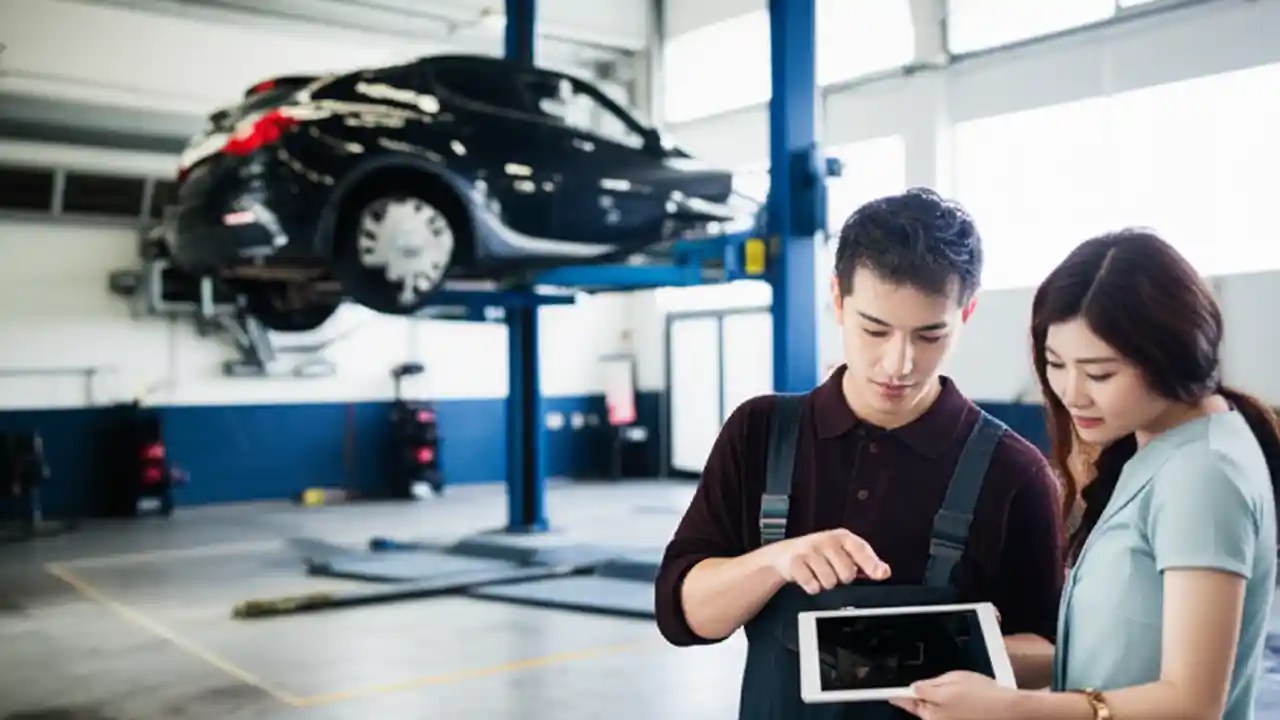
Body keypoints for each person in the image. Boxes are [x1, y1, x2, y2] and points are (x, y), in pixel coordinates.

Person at [653, 187, 1067, 719]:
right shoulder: (759, 433)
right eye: (875, 329)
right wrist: (776, 560)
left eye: (929, 335)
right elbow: (683, 617)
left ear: (967, 312)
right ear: (837, 298)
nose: (898, 363)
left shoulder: (1014, 471)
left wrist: (926, 649)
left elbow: (1055, 654)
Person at [889, 229, 1280, 720]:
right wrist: (977, 651)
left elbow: (1191, 703)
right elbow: (1120, 661)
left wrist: (1011, 709)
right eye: (1055, 364)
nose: (1072, 393)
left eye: (1100, 374)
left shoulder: (1203, 476)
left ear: (1170, 355)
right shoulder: (1160, 448)